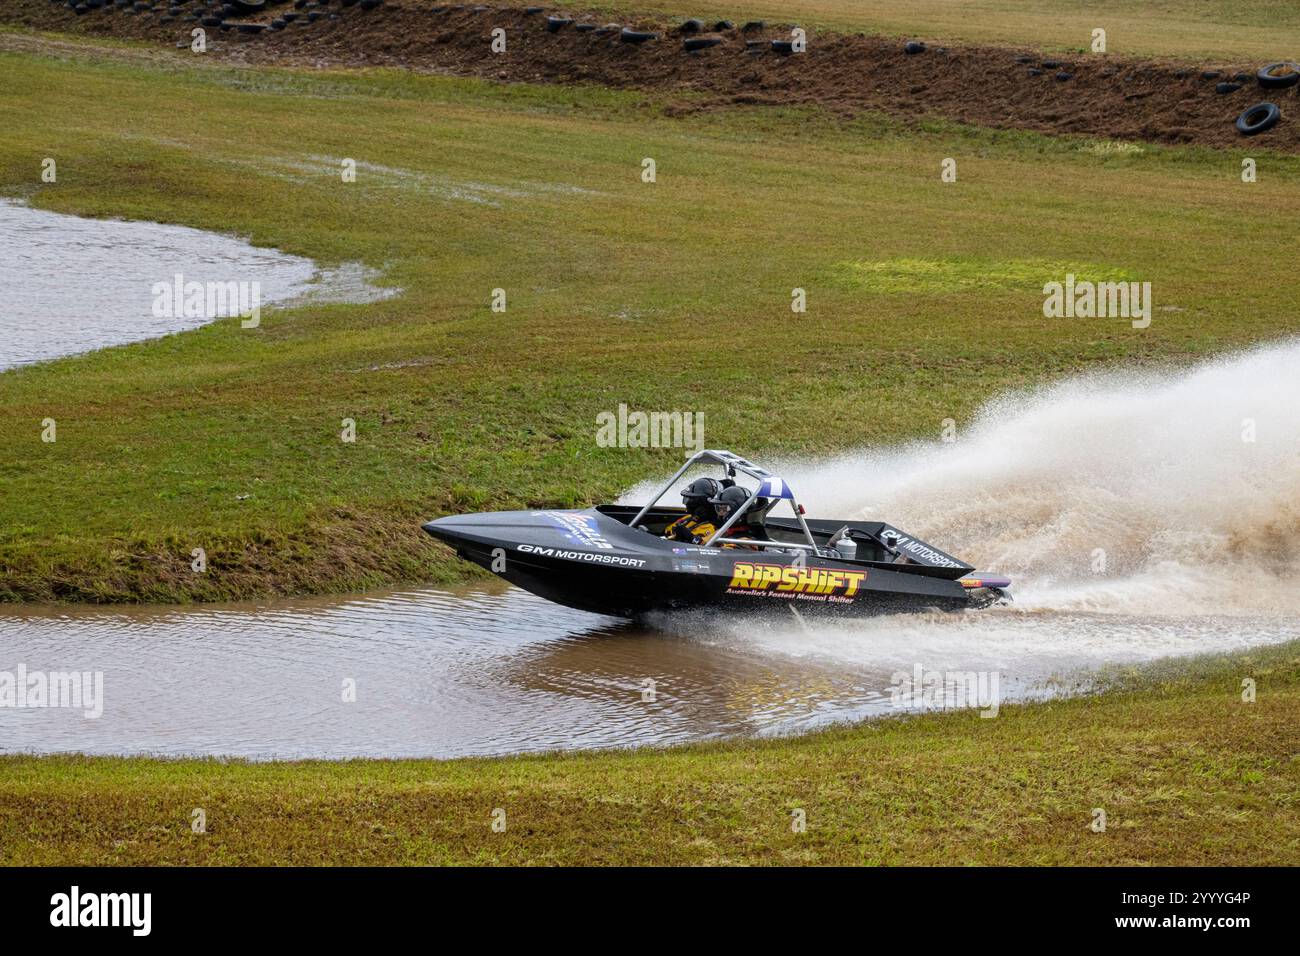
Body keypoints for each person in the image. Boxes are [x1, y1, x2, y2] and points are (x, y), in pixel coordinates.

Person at [663, 477, 722, 543]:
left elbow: (700, 544)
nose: (689, 505)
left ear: (706, 504)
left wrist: (689, 537)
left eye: (693, 502)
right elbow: (667, 530)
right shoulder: (689, 518)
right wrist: (675, 532)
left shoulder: (713, 528)